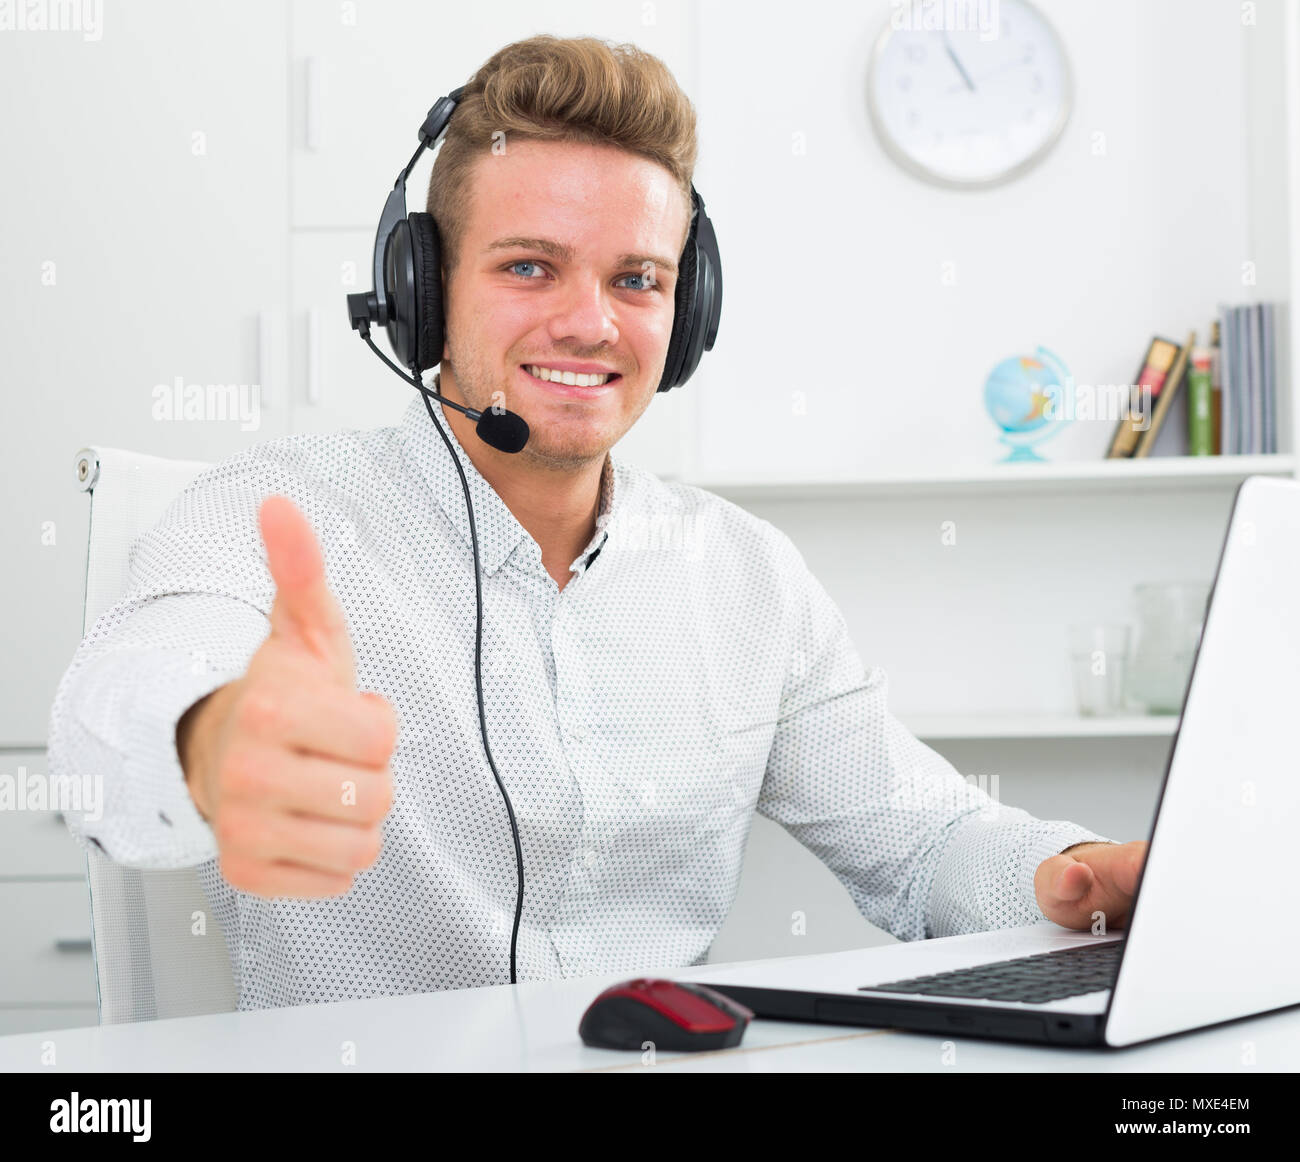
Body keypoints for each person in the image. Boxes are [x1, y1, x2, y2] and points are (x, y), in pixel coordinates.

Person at [47, 34, 1145, 1012]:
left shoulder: (747, 576)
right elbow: (123, 696)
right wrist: (210, 738)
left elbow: (920, 837)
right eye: (529, 266)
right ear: (420, 289)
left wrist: (1075, 872)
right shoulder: (269, 513)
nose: (589, 322)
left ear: (690, 310)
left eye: (638, 279)